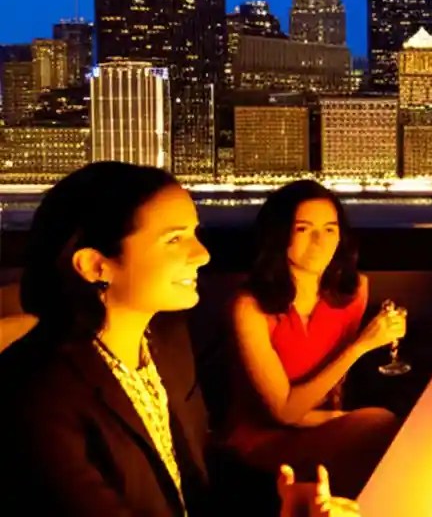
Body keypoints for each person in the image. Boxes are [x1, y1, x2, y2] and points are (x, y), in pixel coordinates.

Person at [0, 162, 358, 516]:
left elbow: (199, 465)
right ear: (95, 265)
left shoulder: (166, 342)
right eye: (174, 239)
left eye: (194, 233)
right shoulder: (38, 397)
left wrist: (284, 498)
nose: (201, 254)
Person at [225, 180, 402, 499]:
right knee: (380, 425)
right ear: (280, 235)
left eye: (330, 229)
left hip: (319, 424)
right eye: (305, 229)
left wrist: (332, 417)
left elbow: (335, 388)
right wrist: (361, 346)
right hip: (264, 439)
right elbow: (283, 412)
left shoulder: (354, 291)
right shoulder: (250, 307)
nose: (321, 242)